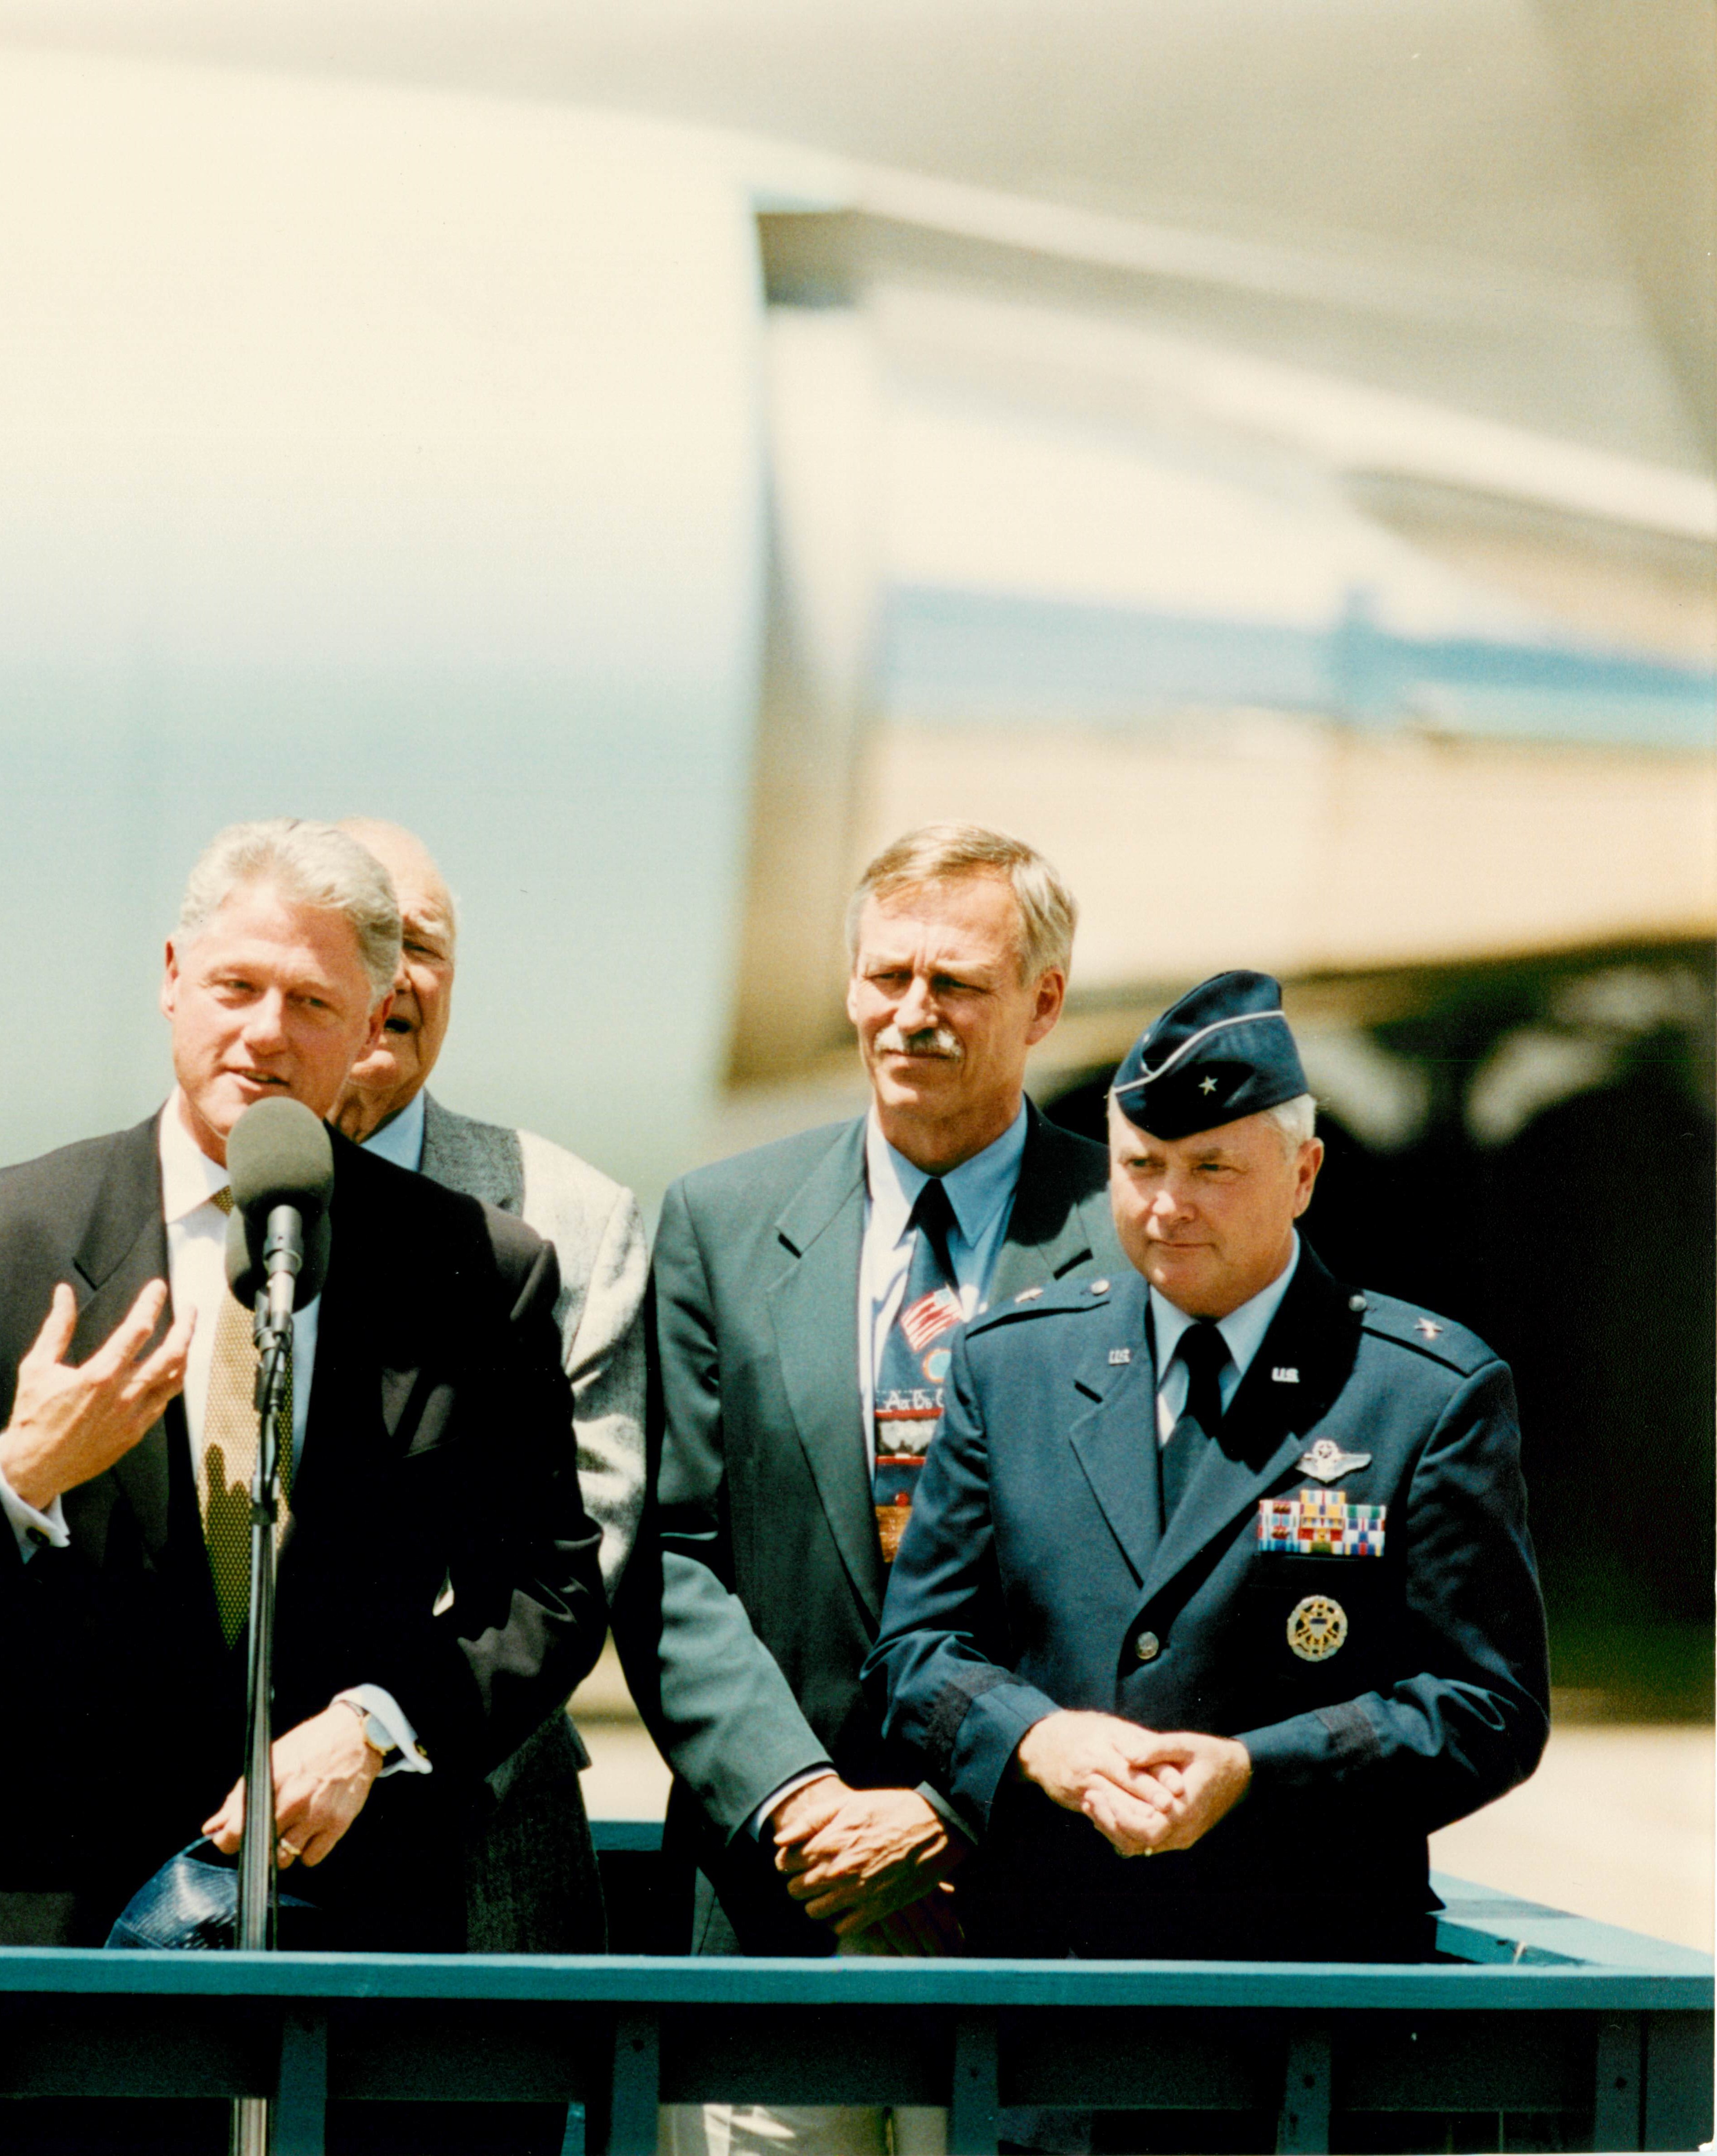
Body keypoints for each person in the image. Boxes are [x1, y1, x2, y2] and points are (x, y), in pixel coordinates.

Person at [0, 819, 602, 2151]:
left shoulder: (477, 1266)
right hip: (54, 1944)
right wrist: (17, 1475)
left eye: (312, 1003)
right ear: (172, 977)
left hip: (350, 1941)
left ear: (373, 1023)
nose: (264, 1033)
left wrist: (376, 1723)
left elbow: (548, 1589)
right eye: (236, 986)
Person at [869, 971, 1548, 1981]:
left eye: (1212, 1168)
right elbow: (917, 1652)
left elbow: (1489, 1705)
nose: (1167, 1206)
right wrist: (1037, 1740)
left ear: (1304, 1173)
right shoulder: (1011, 1368)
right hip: (1045, 1971)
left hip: (1303, 1984)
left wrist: (1254, 1771)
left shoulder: (1420, 1392)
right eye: (1141, 1165)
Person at [617, 824, 1115, 2156]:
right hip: (782, 1899)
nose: (912, 1012)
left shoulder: (1130, 1234)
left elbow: (1163, 1582)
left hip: (1038, 1911)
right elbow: (669, 1553)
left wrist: (961, 1809)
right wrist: (801, 1802)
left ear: (1043, 1004)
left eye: (956, 983)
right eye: (887, 975)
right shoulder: (721, 1222)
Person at [330, 817, 648, 1958]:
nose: (394, 978)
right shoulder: (176, 1204)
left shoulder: (571, 1216)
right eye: (362, 941)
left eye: (420, 945)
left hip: (481, 1826)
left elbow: (592, 1536)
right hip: (205, 1817)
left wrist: (381, 1724)